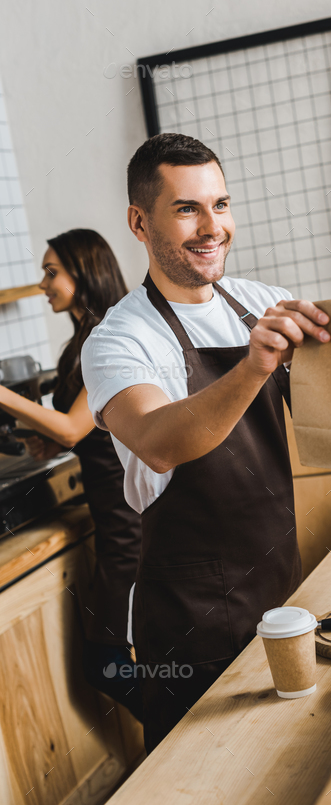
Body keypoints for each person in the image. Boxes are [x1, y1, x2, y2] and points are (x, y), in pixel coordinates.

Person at [80, 133, 331, 752]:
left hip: (282, 589)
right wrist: (253, 366)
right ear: (140, 221)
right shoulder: (118, 340)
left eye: (220, 204)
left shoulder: (260, 303)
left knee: (286, 758)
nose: (211, 226)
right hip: (190, 626)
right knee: (203, 774)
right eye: (187, 208)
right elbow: (158, 440)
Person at [0, 229, 143, 722]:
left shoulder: (105, 337)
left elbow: (73, 425)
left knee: (107, 666)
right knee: (113, 663)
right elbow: (84, 429)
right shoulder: (80, 342)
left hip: (130, 524)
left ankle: (183, 727)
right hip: (115, 519)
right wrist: (55, 438)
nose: (43, 283)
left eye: (51, 272)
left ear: (85, 274)